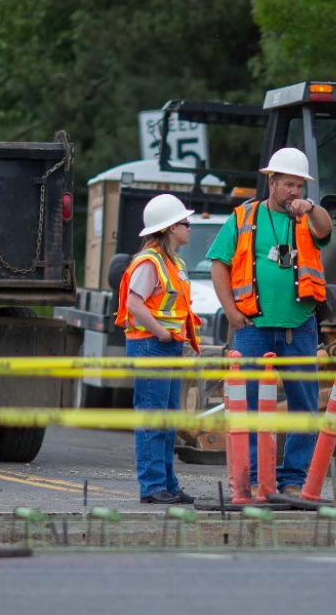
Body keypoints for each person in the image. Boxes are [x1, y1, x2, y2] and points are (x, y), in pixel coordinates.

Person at [207, 147, 332, 497]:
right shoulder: (244, 217)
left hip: (300, 326)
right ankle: (248, 479)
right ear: (272, 181)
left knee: (304, 405)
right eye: (289, 184)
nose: (295, 192)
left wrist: (313, 208)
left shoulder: (308, 216)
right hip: (254, 329)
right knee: (246, 405)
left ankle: (292, 479)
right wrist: (232, 313)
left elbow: (325, 230)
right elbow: (219, 263)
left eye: (300, 186)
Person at [114, 193, 201, 505]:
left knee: (166, 419)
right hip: (152, 346)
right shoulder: (149, 262)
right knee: (154, 418)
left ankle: (166, 483)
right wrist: (162, 332)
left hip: (166, 346)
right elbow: (134, 304)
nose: (189, 227)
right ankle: (153, 487)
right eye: (184, 223)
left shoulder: (171, 262)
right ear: (168, 229)